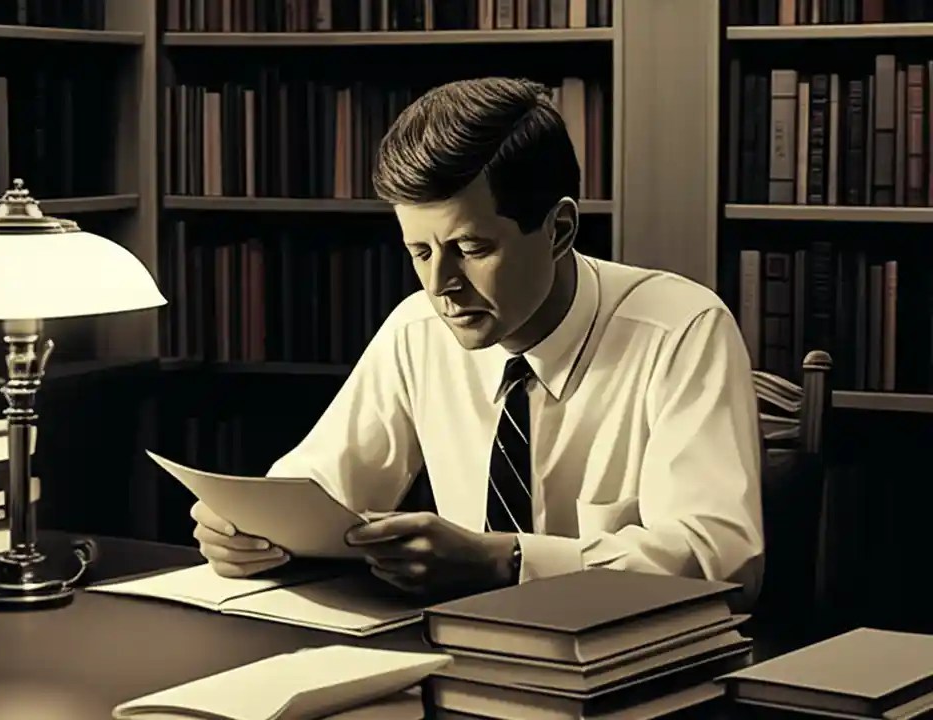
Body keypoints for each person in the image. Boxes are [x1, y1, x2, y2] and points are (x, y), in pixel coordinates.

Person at [190, 76, 765, 610]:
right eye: (420, 253)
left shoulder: (681, 329)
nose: (441, 286)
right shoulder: (418, 329)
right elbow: (316, 494)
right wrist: (246, 529)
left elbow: (722, 566)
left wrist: (507, 560)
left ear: (559, 229)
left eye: (470, 249)